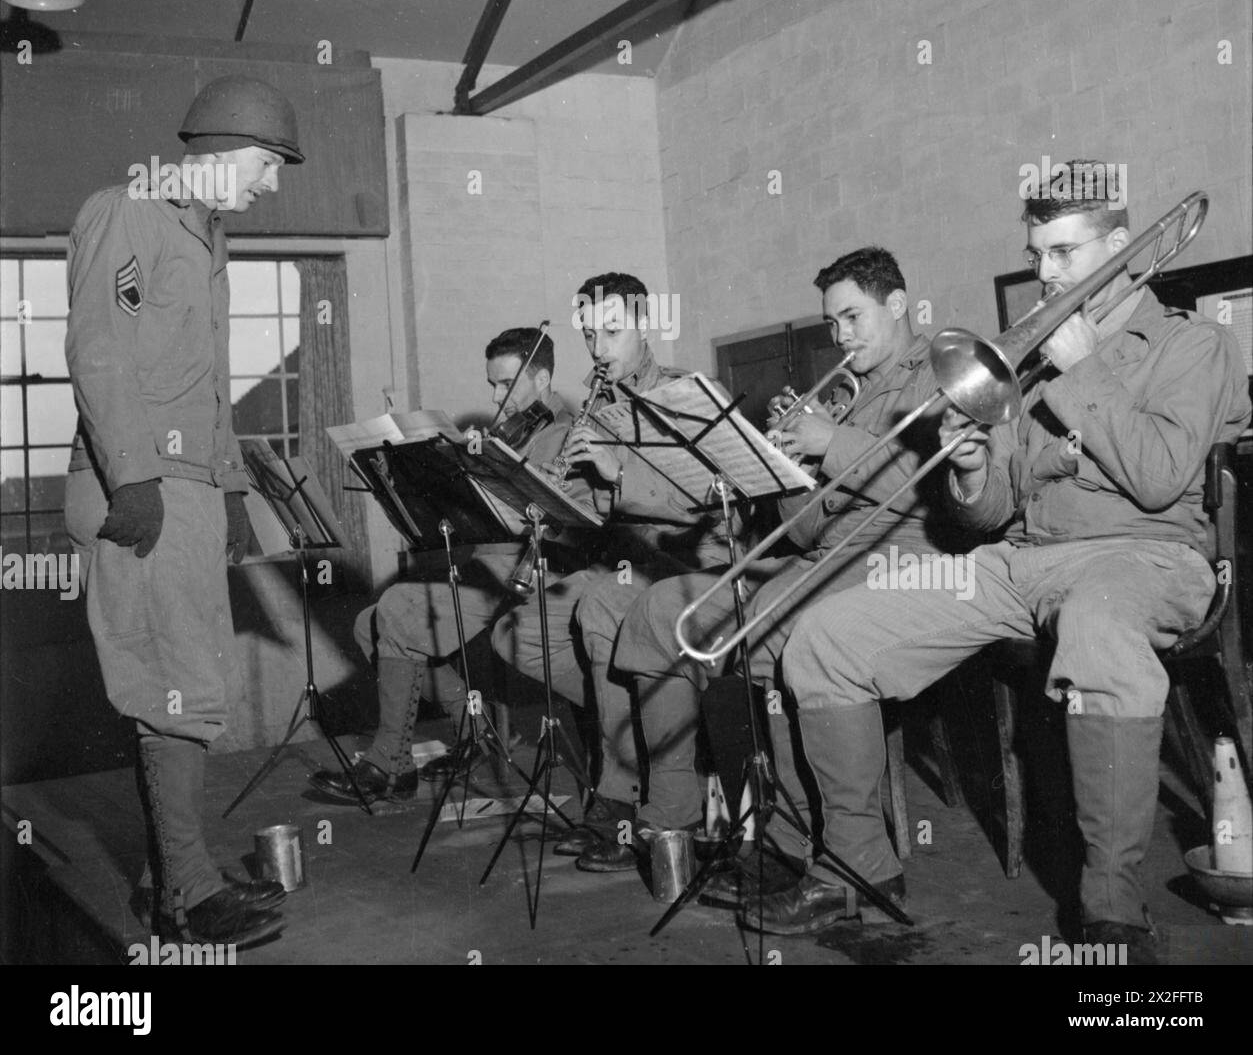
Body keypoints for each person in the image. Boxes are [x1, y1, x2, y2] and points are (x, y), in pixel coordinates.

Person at [751, 165, 1249, 962]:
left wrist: (1084, 368)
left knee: (1095, 629)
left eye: (1061, 252)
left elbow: (1159, 478)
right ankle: (857, 871)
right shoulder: (1028, 369)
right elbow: (987, 515)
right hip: (1020, 564)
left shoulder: (1194, 343)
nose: (1042, 274)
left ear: (1122, 248)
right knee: (823, 639)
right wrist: (971, 463)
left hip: (1145, 558)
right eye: (1035, 253)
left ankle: (1110, 909)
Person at [599, 247, 950, 886]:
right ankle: (673, 818)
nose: (840, 338)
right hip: (825, 556)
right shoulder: (851, 391)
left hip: (910, 561)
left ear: (898, 305)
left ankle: (799, 841)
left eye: (852, 318)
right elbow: (807, 526)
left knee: (766, 633)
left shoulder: (942, 372)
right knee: (658, 609)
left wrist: (829, 442)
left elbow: (938, 481)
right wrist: (784, 462)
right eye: (833, 324)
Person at [64, 75, 305, 949]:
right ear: (219, 150)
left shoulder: (206, 234)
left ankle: (182, 884)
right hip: (146, 491)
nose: (270, 182)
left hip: (192, 489)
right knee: (169, 691)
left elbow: (205, 385)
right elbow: (99, 350)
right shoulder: (127, 209)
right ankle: (185, 897)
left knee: (193, 689)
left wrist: (233, 489)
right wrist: (130, 479)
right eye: (267, 163)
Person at [312, 327, 594, 805]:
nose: (496, 395)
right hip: (487, 567)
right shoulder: (513, 430)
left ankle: (390, 765)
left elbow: (571, 523)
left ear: (542, 378)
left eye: (506, 384)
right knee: (369, 623)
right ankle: (475, 732)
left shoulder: (570, 435)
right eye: (493, 384)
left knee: (398, 605)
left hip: (533, 572)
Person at [509, 272, 731, 863]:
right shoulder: (598, 407)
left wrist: (617, 472)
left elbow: (707, 500)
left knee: (602, 606)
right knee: (520, 632)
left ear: (646, 325)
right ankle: (638, 718)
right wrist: (548, 498)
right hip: (630, 561)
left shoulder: (688, 393)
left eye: (613, 331)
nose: (599, 348)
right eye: (590, 334)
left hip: (690, 564)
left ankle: (624, 794)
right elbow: (596, 513)